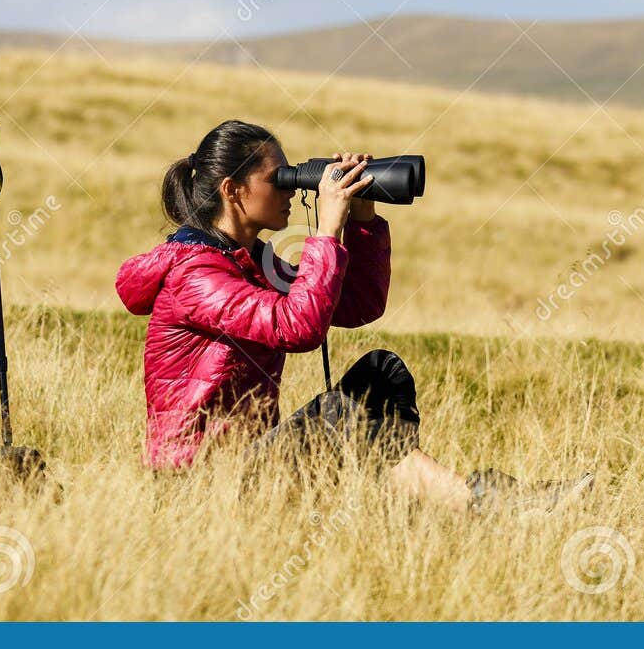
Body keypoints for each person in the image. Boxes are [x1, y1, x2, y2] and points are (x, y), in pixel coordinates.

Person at [115, 119, 592, 514]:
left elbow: (355, 306)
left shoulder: (251, 261)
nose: (289, 187)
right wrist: (326, 228)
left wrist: (361, 223)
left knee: (379, 372)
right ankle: (475, 503)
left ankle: (436, 498)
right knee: (337, 414)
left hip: (244, 468)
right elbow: (296, 328)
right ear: (233, 190)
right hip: (198, 489)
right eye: (277, 178)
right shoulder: (193, 273)